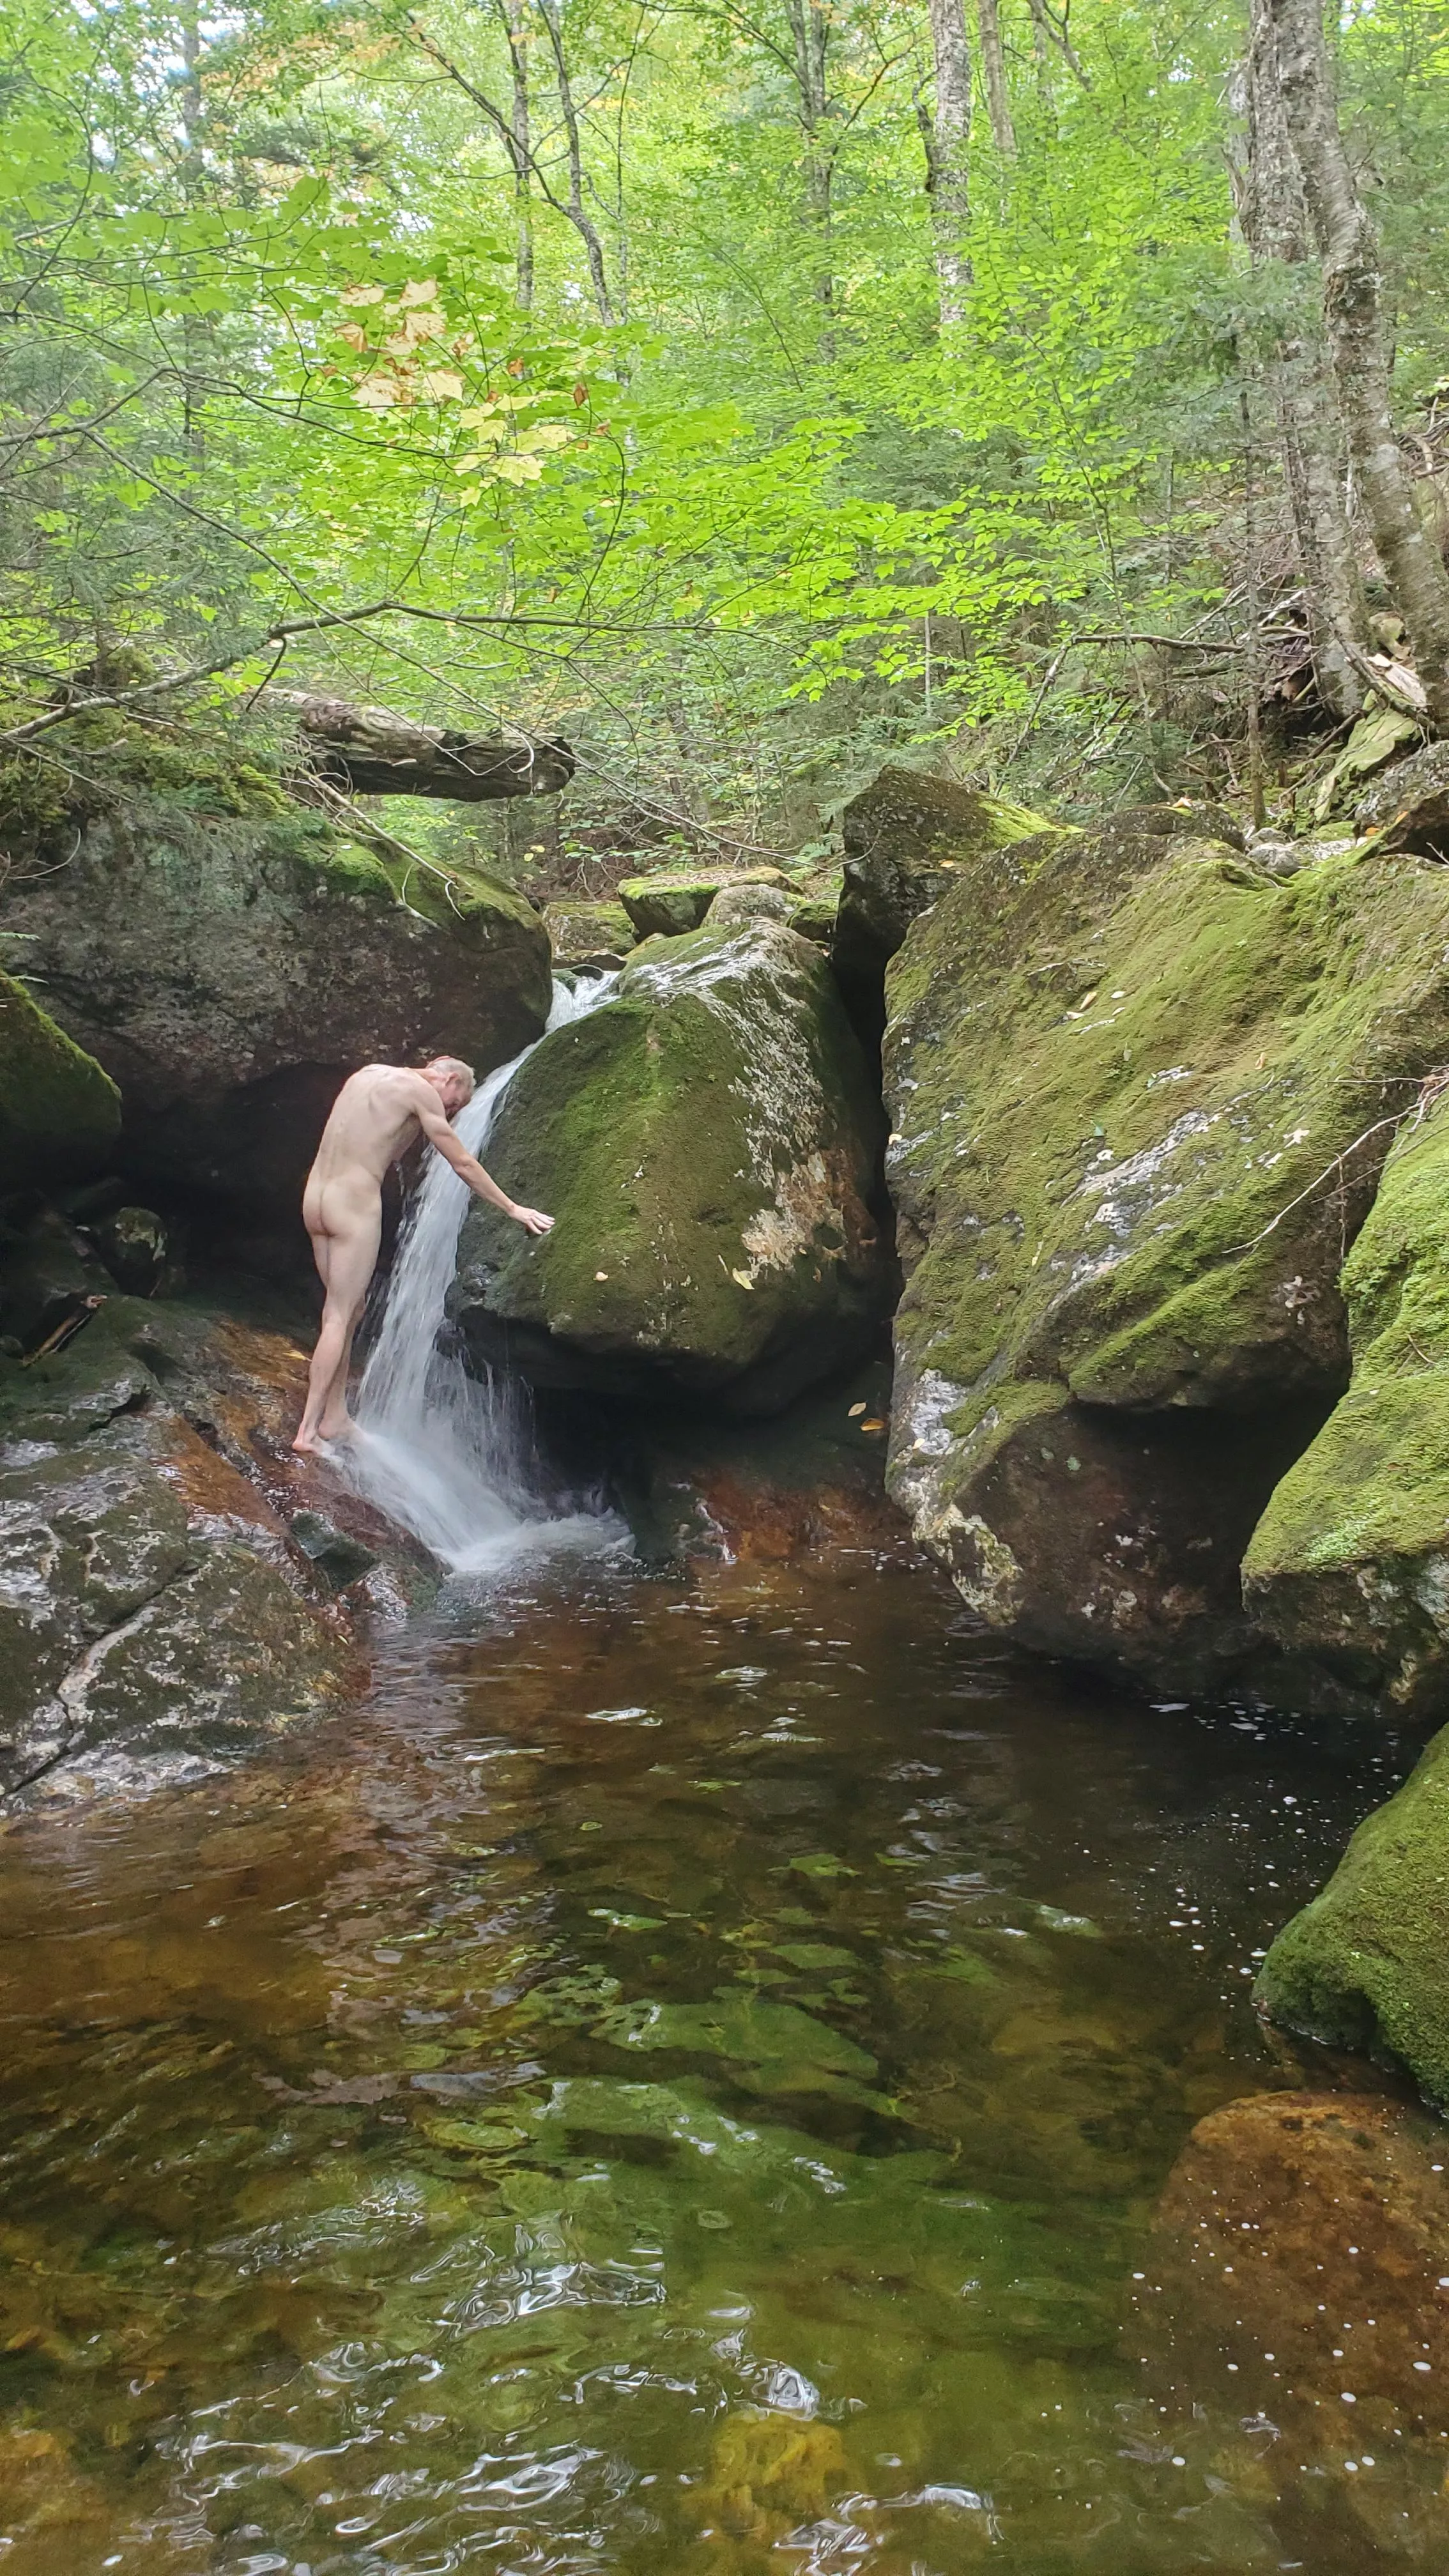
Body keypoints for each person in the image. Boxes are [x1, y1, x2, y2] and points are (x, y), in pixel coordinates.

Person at [292, 1054, 553, 1455]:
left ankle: (335, 1416)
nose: (450, 1113)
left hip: (316, 1198)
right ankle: (307, 1432)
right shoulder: (421, 1093)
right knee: (339, 1315)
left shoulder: (366, 1076)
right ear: (448, 1079)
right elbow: (462, 1162)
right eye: (454, 1105)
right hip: (354, 1204)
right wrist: (513, 1208)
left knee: (348, 1308)